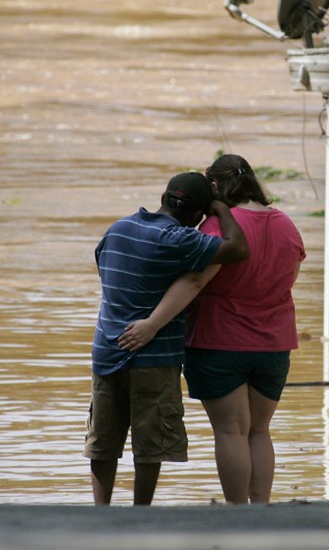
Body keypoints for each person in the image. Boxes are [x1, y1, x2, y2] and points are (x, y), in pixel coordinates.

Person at [119, 154, 306, 504]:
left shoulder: (219, 227)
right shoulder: (286, 225)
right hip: (275, 345)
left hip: (220, 342)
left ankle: (237, 513)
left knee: (231, 430)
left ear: (216, 188)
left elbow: (193, 282)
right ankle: (261, 509)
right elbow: (288, 282)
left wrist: (151, 325)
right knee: (259, 431)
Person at [85, 171, 249, 506]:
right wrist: (220, 210)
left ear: (163, 197)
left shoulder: (119, 228)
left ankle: (99, 514)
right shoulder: (178, 239)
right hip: (154, 357)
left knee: (104, 439)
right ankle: (140, 514)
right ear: (195, 216)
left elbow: (103, 265)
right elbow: (238, 248)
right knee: (151, 442)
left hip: (106, 349)